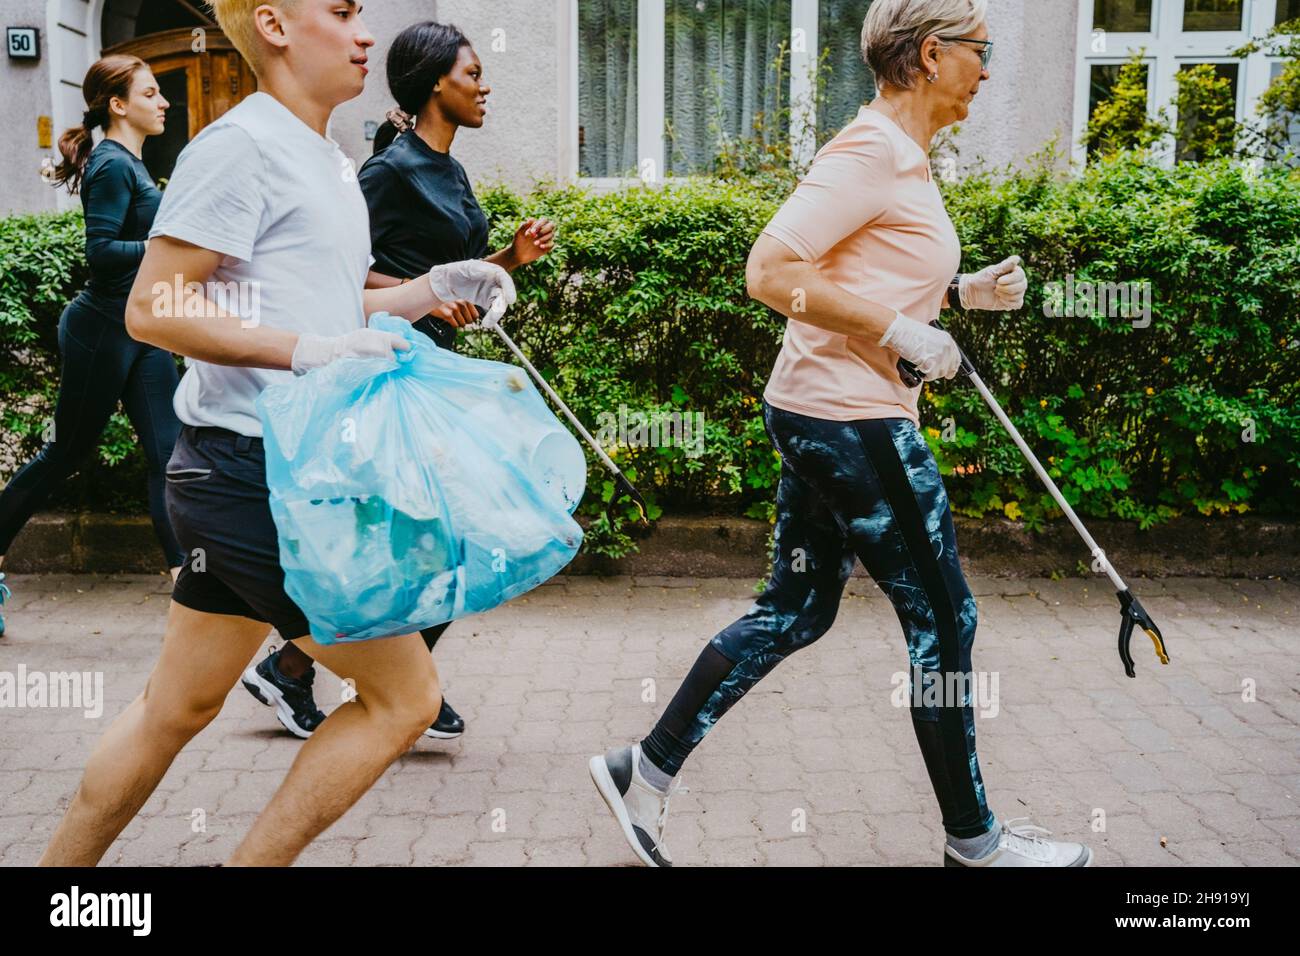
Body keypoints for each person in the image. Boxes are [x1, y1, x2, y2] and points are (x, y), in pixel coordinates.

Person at [589, 0, 1091, 868]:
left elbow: (864, 272)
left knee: (795, 609)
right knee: (946, 618)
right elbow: (770, 270)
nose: (990, 67)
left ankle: (646, 768)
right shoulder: (869, 150)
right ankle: (975, 844)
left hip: (822, 408)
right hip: (850, 417)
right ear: (932, 55)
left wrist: (961, 294)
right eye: (982, 51)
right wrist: (900, 336)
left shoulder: (903, 157)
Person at [39, 0, 515, 867]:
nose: (365, 31)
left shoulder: (326, 159)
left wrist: (429, 286)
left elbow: (328, 305)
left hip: (257, 470)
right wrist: (309, 352)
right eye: (341, 10)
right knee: (403, 701)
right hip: (255, 472)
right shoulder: (240, 146)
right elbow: (154, 307)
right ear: (275, 24)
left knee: (173, 710)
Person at [241, 20, 556, 742]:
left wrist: (511, 256)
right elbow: (339, 272)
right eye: (473, 74)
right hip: (385, 372)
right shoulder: (388, 171)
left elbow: (464, 271)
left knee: (437, 537)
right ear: (436, 84)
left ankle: (302, 669)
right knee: (450, 532)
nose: (486, 86)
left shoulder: (450, 169)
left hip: (434, 368)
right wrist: (419, 290)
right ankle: (366, 679)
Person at [0, 55, 184, 636]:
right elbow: (101, 255)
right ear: (118, 104)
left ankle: (189, 587)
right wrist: (170, 248)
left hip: (144, 328)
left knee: (169, 457)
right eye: (151, 93)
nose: (164, 103)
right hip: (101, 330)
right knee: (66, 454)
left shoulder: (129, 162)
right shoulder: (110, 164)